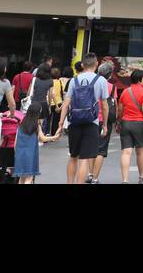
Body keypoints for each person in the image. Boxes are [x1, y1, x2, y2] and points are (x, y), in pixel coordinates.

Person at [58, 53, 111, 185]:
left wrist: (60, 124)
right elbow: (104, 106)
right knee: (84, 159)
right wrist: (104, 124)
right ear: (96, 64)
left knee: (73, 156)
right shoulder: (101, 81)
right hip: (91, 123)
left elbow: (66, 103)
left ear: (82, 65)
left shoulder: (74, 80)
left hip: (74, 122)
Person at [117, 68, 143, 184]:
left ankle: (125, 180)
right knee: (141, 152)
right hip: (139, 124)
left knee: (126, 152)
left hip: (126, 123)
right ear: (140, 79)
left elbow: (120, 109)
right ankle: (142, 176)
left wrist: (119, 122)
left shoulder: (125, 91)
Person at [89, 59, 119, 183]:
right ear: (110, 74)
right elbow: (114, 105)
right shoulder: (112, 87)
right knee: (101, 150)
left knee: (90, 148)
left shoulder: (91, 83)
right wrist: (115, 121)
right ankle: (95, 178)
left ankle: (90, 174)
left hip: (90, 119)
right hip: (104, 121)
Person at [14, 98, 58, 184]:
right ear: (37, 113)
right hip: (31, 155)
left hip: (20, 154)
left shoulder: (20, 125)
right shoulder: (36, 126)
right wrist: (54, 137)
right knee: (29, 178)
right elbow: (43, 138)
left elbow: (15, 143)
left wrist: (16, 154)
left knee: (21, 178)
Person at [45, 67, 66, 137]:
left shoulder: (48, 81)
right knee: (56, 120)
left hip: (49, 102)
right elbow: (63, 92)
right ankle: (54, 133)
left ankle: (46, 133)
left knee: (48, 119)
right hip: (59, 102)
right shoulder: (60, 82)